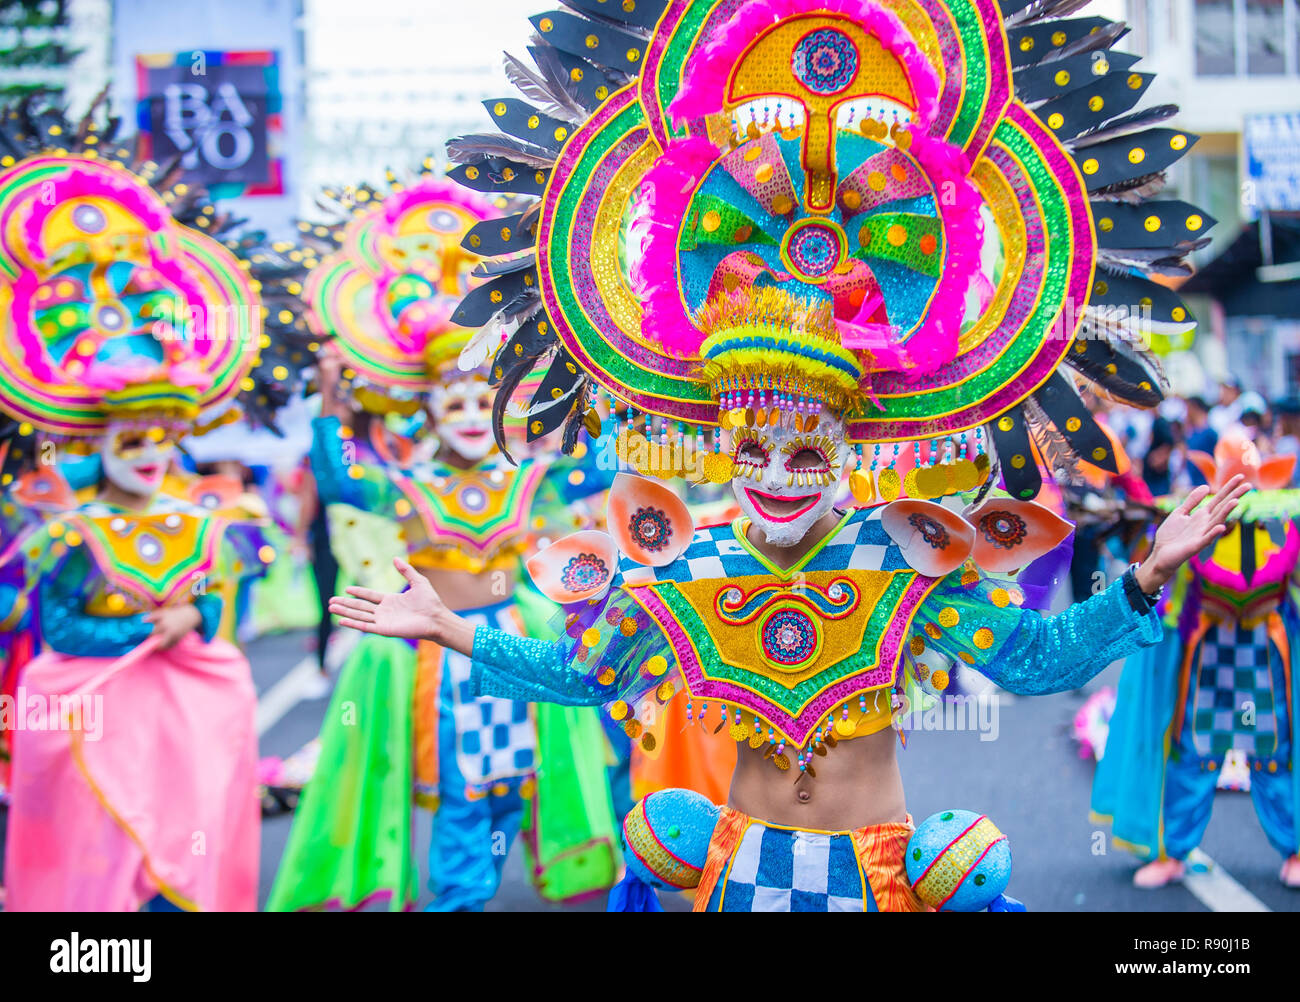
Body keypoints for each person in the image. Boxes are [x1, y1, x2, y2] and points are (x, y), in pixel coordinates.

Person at [327, 0, 1229, 911]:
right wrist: (447, 628)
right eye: (751, 445)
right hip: (740, 878)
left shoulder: (906, 556)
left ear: (848, 446)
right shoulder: (689, 565)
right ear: (723, 446)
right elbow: (582, 674)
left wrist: (1147, 575)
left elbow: (1037, 661)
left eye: (806, 449)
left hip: (878, 881)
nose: (774, 472)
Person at [269, 176, 618, 912]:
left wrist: (598, 372)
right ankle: (459, 898)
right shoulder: (406, 481)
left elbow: (595, 470)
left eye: (476, 396)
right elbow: (340, 485)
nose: (465, 414)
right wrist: (333, 407)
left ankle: (520, 877)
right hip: (435, 661)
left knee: (517, 786)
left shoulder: (529, 478)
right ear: (426, 404)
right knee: (460, 799)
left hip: (510, 648)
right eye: (450, 399)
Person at [0, 107, 308, 910]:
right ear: (98, 439)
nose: (147, 453)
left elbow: (218, 605)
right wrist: (150, 628)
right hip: (99, 712)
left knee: (190, 850)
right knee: (106, 864)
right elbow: (61, 627)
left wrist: (195, 624)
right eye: (131, 437)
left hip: (190, 710)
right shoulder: (67, 534)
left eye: (161, 439)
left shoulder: (215, 525)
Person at [1092, 435, 1300, 888]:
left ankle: (1294, 846)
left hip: (1268, 652)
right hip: (1206, 653)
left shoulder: (1285, 522)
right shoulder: (1190, 522)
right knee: (1193, 751)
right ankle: (1174, 851)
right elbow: (1158, 586)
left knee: (1275, 752)